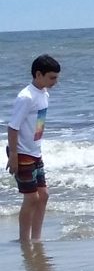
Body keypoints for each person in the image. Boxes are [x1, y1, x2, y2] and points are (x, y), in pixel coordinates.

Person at [11, 54, 58, 245]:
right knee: (31, 198)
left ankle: (36, 238)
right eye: (52, 77)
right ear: (38, 74)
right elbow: (13, 127)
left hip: (35, 152)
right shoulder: (26, 97)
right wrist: (13, 155)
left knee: (43, 195)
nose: (55, 81)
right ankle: (24, 240)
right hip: (23, 153)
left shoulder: (44, 93)